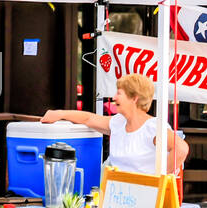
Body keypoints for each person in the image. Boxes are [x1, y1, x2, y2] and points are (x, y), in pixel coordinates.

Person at [41, 73, 189, 176]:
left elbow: (181, 148)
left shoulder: (152, 127)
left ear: (134, 98)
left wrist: (159, 179)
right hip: (120, 198)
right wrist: (59, 114)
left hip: (146, 201)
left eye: (119, 93)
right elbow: (88, 119)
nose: (113, 97)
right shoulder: (118, 122)